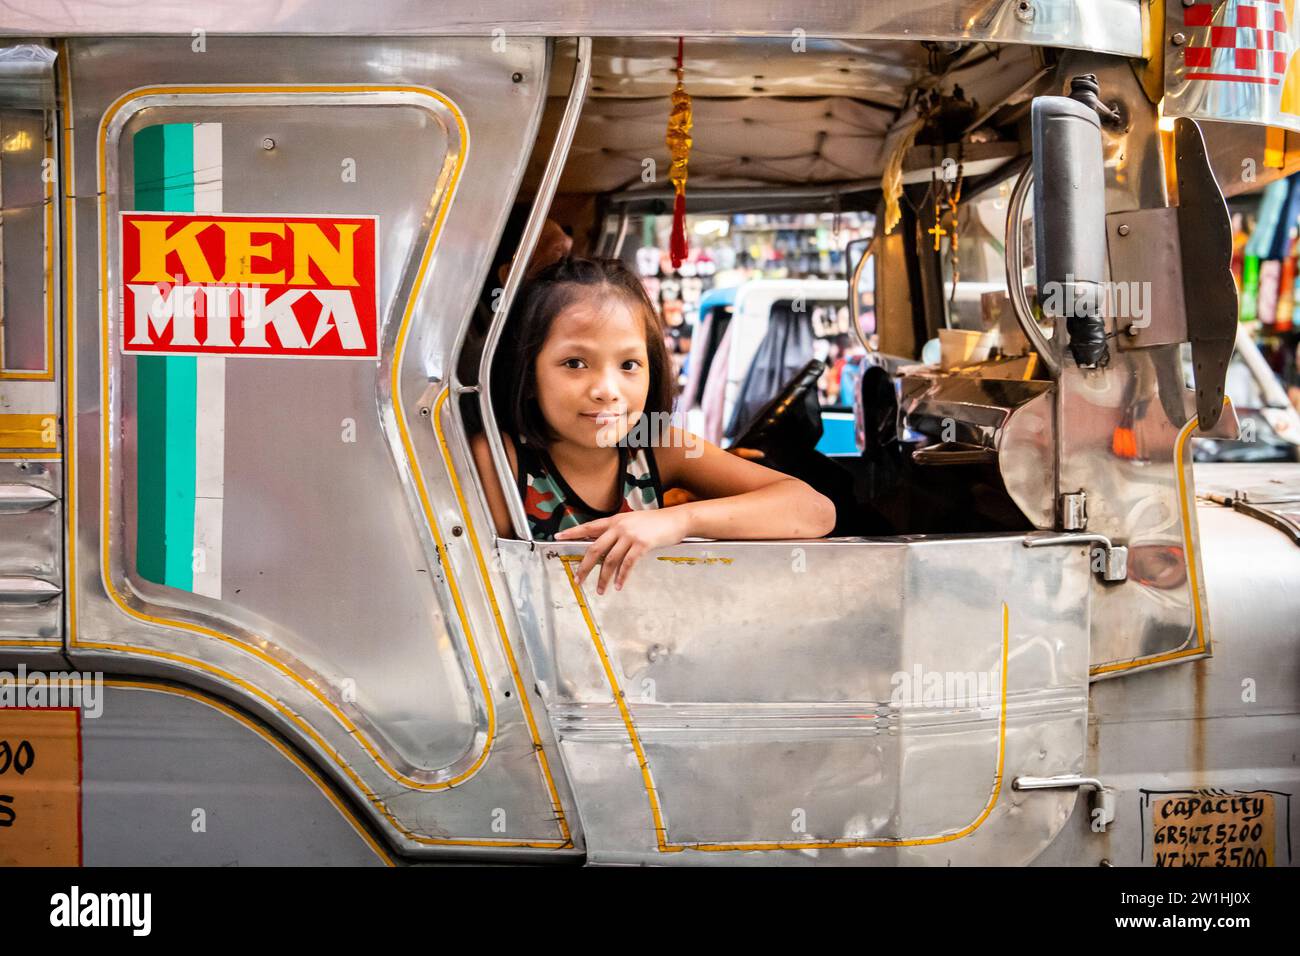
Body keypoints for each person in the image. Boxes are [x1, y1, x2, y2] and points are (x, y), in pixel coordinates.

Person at [471, 257, 836, 594]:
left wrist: (676, 521)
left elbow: (815, 510)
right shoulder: (501, 462)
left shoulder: (658, 445)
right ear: (529, 373)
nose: (606, 391)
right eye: (575, 363)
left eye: (628, 365)